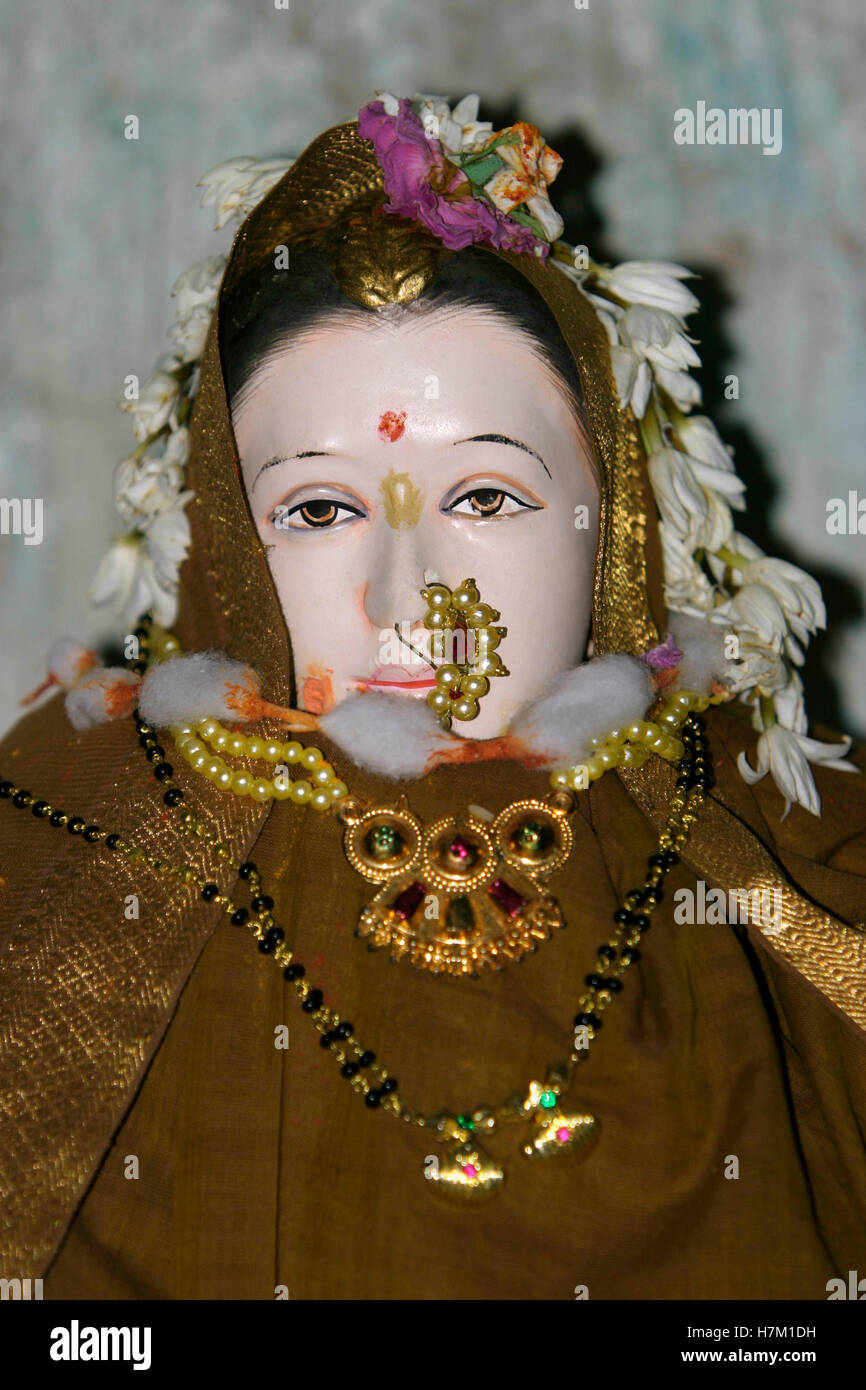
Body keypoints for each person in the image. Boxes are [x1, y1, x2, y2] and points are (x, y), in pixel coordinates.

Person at [1, 95, 865, 1301]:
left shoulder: (789, 837)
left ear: (610, 522)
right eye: (318, 509)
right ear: (221, 541)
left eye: (485, 498)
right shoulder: (63, 839)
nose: (408, 592)